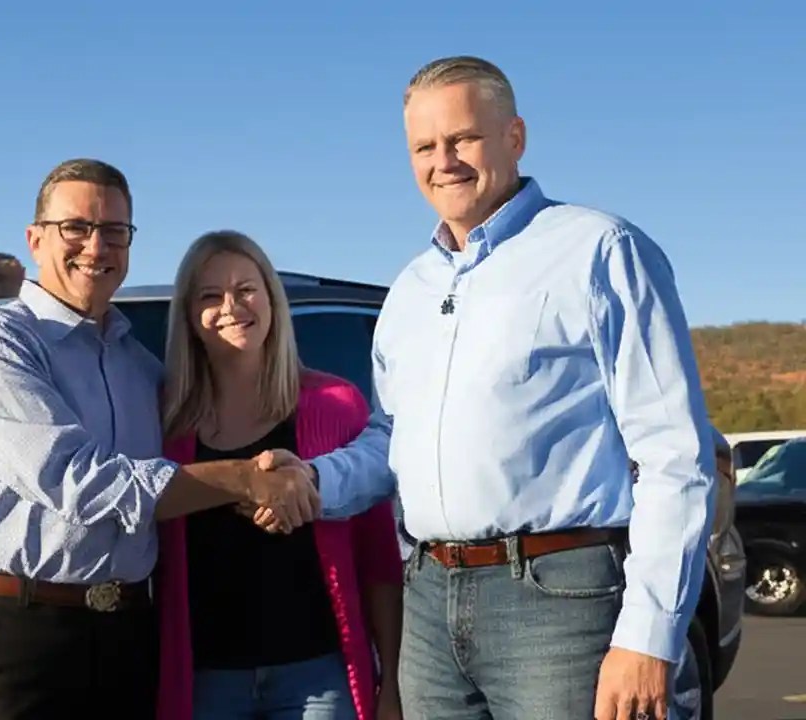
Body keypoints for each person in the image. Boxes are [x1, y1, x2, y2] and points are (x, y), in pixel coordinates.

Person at [259, 56, 716, 720]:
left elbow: (676, 453)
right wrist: (310, 480)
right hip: (428, 602)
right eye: (424, 146)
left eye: (462, 139)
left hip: (559, 604)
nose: (443, 161)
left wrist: (649, 637)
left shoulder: (598, 250)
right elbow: (393, 444)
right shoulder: (411, 290)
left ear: (515, 137)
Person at [0, 158, 320, 720]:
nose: (96, 246)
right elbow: (79, 482)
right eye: (76, 228)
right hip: (12, 635)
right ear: (35, 239)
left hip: (129, 635)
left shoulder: (142, 368)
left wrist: (280, 479)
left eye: (115, 232)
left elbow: (198, 461)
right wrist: (246, 481)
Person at [153, 230, 405, 720]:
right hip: (206, 681)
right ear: (187, 316)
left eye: (246, 288)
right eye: (209, 295)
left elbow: (378, 561)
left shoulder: (334, 405)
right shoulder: (165, 420)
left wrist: (390, 683)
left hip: (318, 678)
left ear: (271, 299)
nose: (231, 306)